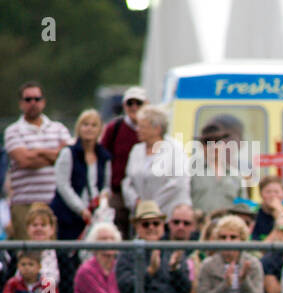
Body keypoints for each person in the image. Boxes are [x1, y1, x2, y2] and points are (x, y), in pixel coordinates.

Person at [5, 81, 72, 240]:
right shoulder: (13, 131)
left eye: (37, 98)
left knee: (53, 253)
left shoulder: (58, 128)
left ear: (43, 101)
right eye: (28, 99)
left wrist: (36, 152)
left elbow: (67, 158)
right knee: (29, 256)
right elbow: (23, 161)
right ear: (21, 103)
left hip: (53, 201)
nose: (33, 103)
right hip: (24, 202)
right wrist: (53, 155)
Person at [122, 105, 190, 228]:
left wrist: (152, 207)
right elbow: (127, 181)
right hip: (140, 217)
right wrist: (136, 202)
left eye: (142, 126)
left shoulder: (175, 149)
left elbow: (179, 182)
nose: (137, 129)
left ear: (157, 129)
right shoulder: (136, 150)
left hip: (168, 217)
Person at [51, 109, 111, 241]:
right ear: (79, 127)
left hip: (94, 216)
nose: (89, 128)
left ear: (100, 129)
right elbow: (63, 185)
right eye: (85, 124)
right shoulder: (68, 153)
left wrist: (103, 198)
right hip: (68, 215)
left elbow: (106, 185)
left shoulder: (104, 156)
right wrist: (81, 209)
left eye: (94, 125)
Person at [101, 86, 146, 236]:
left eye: (138, 103)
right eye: (130, 103)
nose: (134, 107)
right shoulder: (114, 128)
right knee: (118, 232)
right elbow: (103, 158)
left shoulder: (151, 130)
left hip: (143, 191)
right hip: (118, 193)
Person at [73, 222, 124, 293]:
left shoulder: (119, 267)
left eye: (112, 239)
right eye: (103, 239)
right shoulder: (86, 271)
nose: (109, 242)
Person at [189, 115, 245, 218]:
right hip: (199, 229)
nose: (213, 146)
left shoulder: (235, 175)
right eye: (208, 142)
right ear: (202, 146)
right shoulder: (190, 173)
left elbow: (243, 208)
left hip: (227, 230)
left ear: (223, 144)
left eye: (217, 142)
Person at [252, 175, 283, 240]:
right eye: (268, 192)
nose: (273, 195)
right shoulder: (253, 214)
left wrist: (281, 213)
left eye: (276, 192)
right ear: (261, 194)